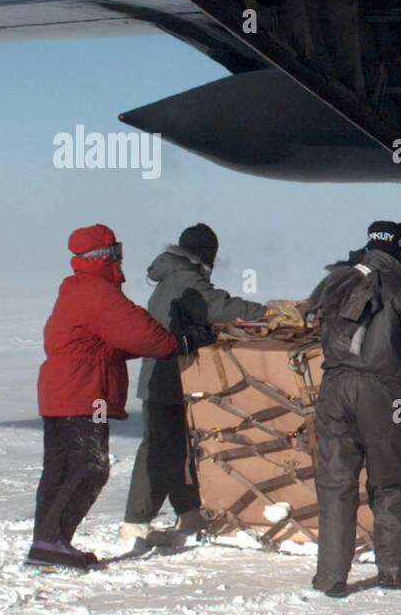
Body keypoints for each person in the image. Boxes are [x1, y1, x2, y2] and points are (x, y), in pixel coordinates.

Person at [32, 225, 211, 569]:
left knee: (60, 468)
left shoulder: (75, 289)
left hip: (59, 393)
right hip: (86, 396)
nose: (121, 258)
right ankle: (52, 543)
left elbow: (110, 341)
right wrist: (179, 343)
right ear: (105, 255)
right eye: (116, 251)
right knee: (89, 466)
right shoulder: (98, 292)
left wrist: (164, 343)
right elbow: (138, 331)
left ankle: (46, 541)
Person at [306, 221, 401, 597]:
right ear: (399, 248)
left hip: (333, 388)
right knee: (390, 481)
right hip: (386, 395)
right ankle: (392, 571)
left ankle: (331, 579)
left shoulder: (337, 279)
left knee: (335, 486)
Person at [122, 224, 267, 555]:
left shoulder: (173, 275)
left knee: (176, 449)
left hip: (162, 377)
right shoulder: (187, 279)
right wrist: (266, 312)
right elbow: (219, 307)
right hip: (168, 378)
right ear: (206, 255)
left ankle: (188, 516)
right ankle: (134, 524)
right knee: (159, 450)